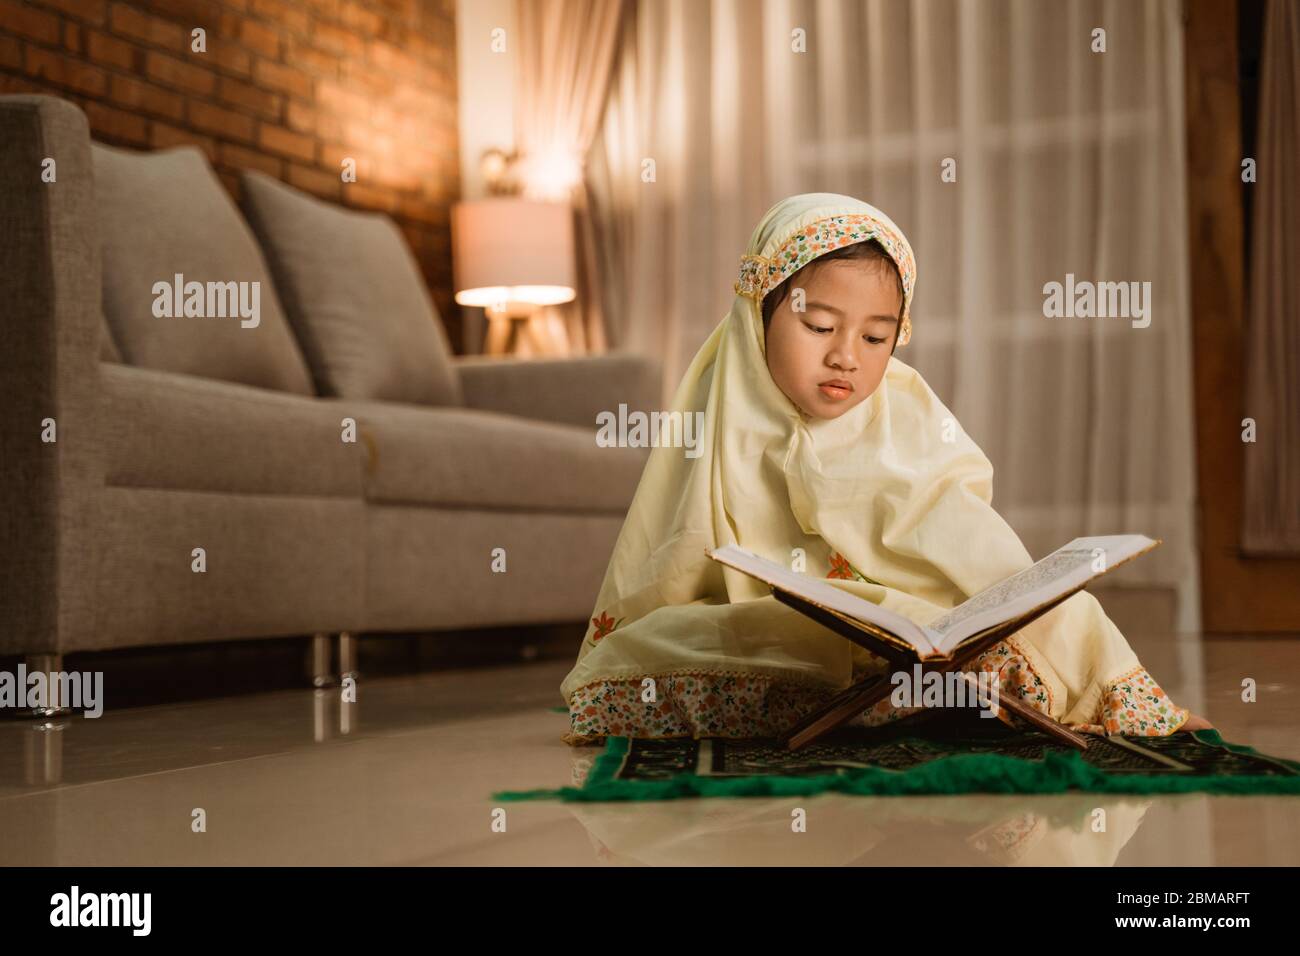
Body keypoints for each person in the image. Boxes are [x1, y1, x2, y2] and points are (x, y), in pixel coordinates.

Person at [560, 192, 1211, 746]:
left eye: (875, 338)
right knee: (666, 644)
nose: (847, 356)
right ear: (758, 315)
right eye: (818, 326)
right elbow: (674, 553)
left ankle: (1122, 714)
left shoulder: (906, 409)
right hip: (786, 617)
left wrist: (1016, 601)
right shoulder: (724, 402)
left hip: (924, 613)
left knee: (1069, 618)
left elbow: (962, 531)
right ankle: (915, 699)